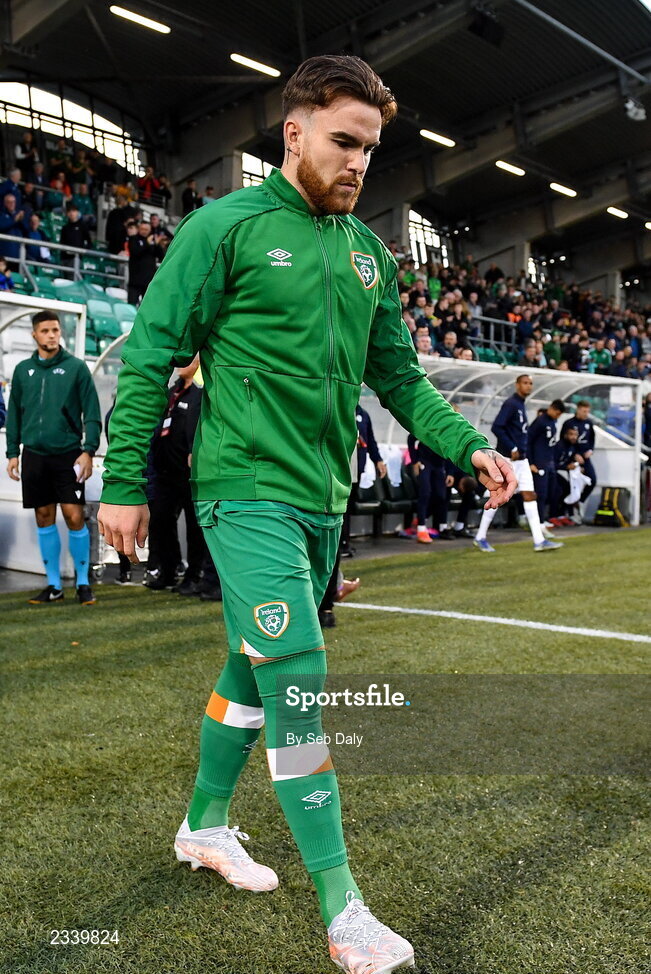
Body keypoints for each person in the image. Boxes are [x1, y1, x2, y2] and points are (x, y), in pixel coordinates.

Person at [97, 55, 516, 974]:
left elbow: (399, 377)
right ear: (293, 133)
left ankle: (204, 826)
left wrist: (465, 446)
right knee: (298, 677)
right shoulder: (225, 228)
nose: (358, 163)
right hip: (242, 489)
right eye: (342, 142)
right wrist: (124, 478)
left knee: (252, 665)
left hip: (323, 499)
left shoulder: (367, 254)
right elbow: (154, 353)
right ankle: (345, 910)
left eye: (370, 148)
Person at [5, 310, 101, 604]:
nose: (51, 335)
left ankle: (83, 584)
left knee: (74, 516)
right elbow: (14, 416)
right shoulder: (23, 370)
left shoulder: (76, 368)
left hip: (68, 456)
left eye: (55, 330)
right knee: (44, 516)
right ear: (34, 334)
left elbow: (92, 413)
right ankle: (54, 586)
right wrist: (12, 453)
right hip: (33, 455)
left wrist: (88, 451)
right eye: (45, 330)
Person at [142, 357, 212, 595]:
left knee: (194, 527)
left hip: (189, 473)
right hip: (164, 471)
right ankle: (169, 570)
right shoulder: (172, 393)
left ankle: (195, 576)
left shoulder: (200, 393)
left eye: (190, 359)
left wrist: (194, 450)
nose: (182, 362)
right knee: (161, 521)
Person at [474, 374, 562, 553]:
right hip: (507, 459)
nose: (528, 386)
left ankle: (539, 540)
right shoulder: (511, 404)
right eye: (525, 383)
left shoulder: (521, 405)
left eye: (530, 383)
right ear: (517, 385)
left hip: (522, 460)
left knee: (530, 496)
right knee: (497, 497)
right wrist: (512, 446)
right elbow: (497, 427)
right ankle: (480, 537)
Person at [528, 399, 565, 523]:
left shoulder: (553, 421)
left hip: (549, 462)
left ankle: (544, 519)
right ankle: (538, 522)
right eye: (557, 413)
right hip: (539, 463)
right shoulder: (540, 421)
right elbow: (528, 441)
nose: (558, 416)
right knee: (541, 493)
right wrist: (531, 462)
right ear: (551, 408)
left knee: (552, 492)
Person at [560, 400, 596, 521]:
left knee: (593, 480)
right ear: (578, 409)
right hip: (573, 458)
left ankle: (580, 501)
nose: (586, 414)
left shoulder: (589, 423)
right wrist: (574, 454)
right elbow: (563, 440)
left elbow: (592, 439)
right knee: (572, 486)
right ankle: (570, 514)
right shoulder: (569, 423)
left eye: (588, 411)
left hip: (585, 458)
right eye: (584, 411)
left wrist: (590, 450)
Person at [126, 219, 164, 305]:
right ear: (139, 229)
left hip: (148, 282)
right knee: (131, 305)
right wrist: (146, 243)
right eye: (142, 229)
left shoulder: (153, 241)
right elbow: (135, 252)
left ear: (150, 230)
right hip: (135, 281)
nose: (144, 231)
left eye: (146, 230)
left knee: (147, 306)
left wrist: (157, 245)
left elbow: (161, 256)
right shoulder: (133, 239)